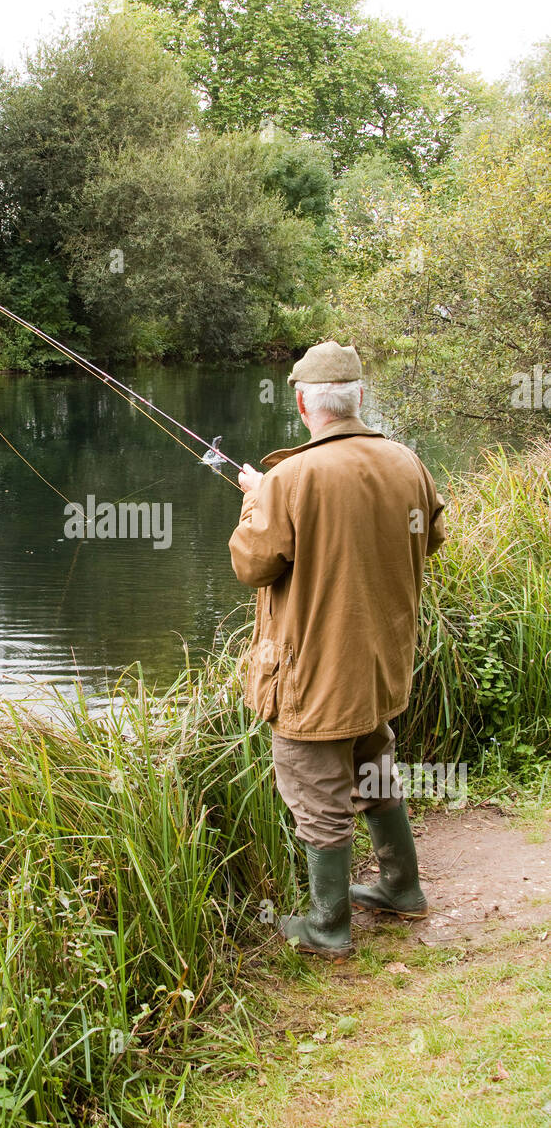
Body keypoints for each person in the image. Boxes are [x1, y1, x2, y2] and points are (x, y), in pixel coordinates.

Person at [228, 340, 446, 960]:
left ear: (302, 402)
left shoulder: (290, 479)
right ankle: (402, 888)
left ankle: (328, 928)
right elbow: (428, 538)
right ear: (355, 399)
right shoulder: (407, 462)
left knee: (318, 799)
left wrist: (257, 496)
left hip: (315, 676)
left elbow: (251, 564)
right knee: (375, 769)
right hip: (378, 667)